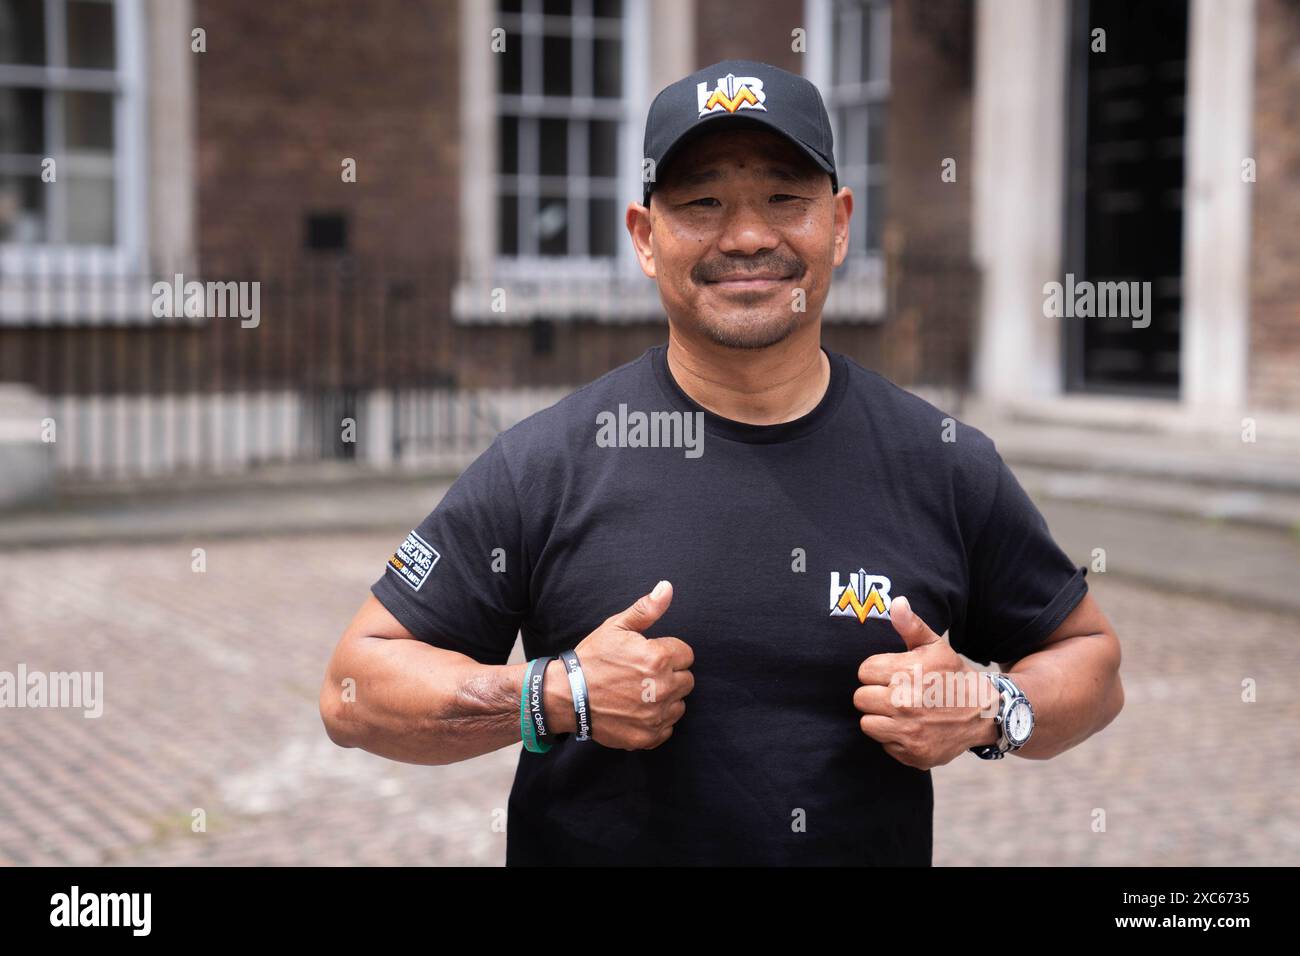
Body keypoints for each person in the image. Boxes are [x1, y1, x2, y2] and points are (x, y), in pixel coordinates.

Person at [320, 59, 1124, 865]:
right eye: (702, 202)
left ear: (839, 223)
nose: (746, 236)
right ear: (645, 237)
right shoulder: (546, 464)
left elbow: (1090, 662)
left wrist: (992, 705)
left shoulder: (943, 463)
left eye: (785, 197)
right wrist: (549, 695)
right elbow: (353, 688)